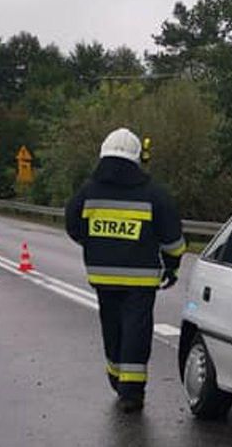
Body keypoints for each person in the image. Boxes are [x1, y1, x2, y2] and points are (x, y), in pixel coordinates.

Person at [64, 128, 186, 412]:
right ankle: (131, 391)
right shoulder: (153, 193)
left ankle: (116, 376)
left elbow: (72, 225)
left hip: (102, 275)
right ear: (136, 158)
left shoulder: (88, 190)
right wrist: (172, 264)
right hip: (140, 279)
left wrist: (94, 244)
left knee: (112, 326)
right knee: (136, 329)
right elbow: (173, 238)